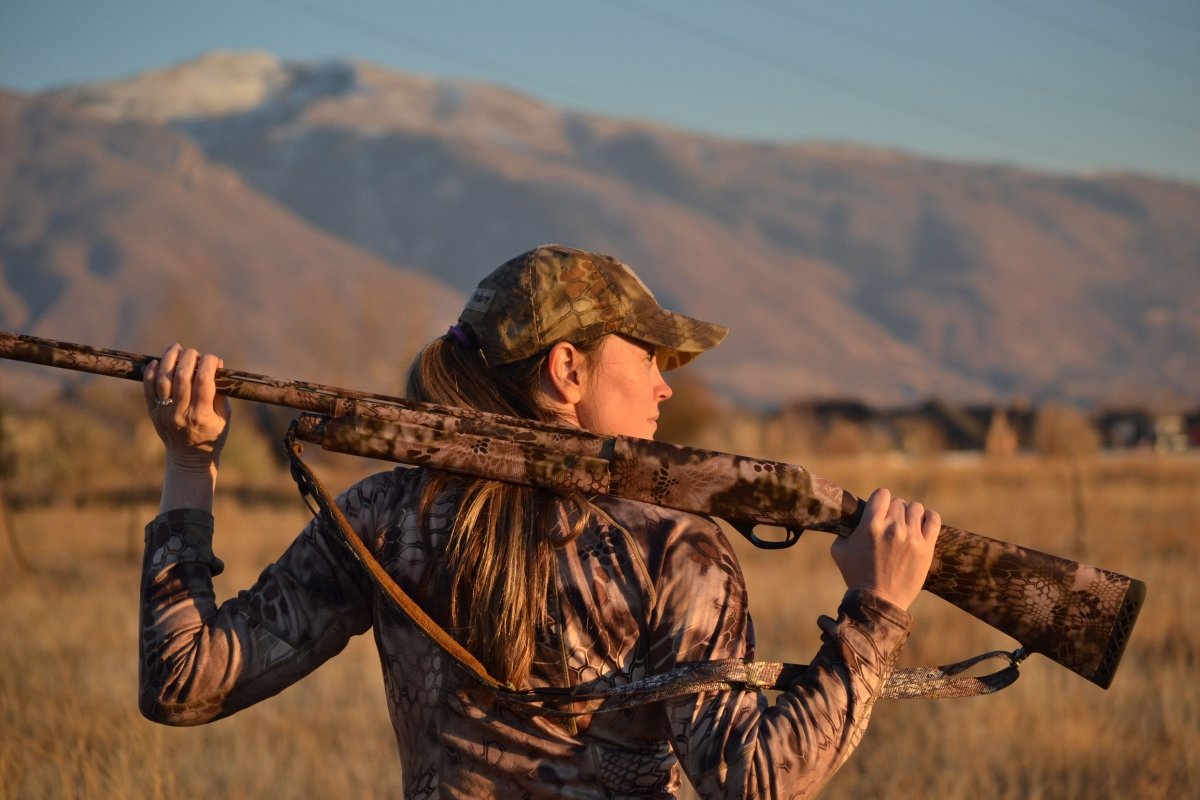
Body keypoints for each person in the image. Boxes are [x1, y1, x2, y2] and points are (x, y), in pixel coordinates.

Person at [139, 244, 941, 798]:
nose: (665, 388)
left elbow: (183, 683)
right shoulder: (672, 548)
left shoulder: (387, 516)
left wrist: (187, 465)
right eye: (648, 359)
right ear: (567, 370)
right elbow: (754, 781)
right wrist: (875, 616)